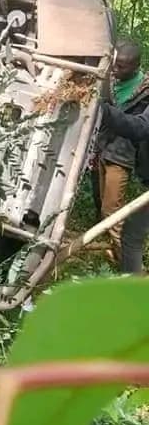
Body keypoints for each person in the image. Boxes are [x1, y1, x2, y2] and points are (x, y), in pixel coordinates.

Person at [96, 40, 148, 267]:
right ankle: (114, 255)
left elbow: (138, 128)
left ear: (136, 66)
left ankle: (125, 264)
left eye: (122, 67)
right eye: (114, 65)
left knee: (113, 212)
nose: (116, 70)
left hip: (122, 156)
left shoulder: (144, 92)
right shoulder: (110, 81)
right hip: (103, 149)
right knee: (103, 206)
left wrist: (103, 110)